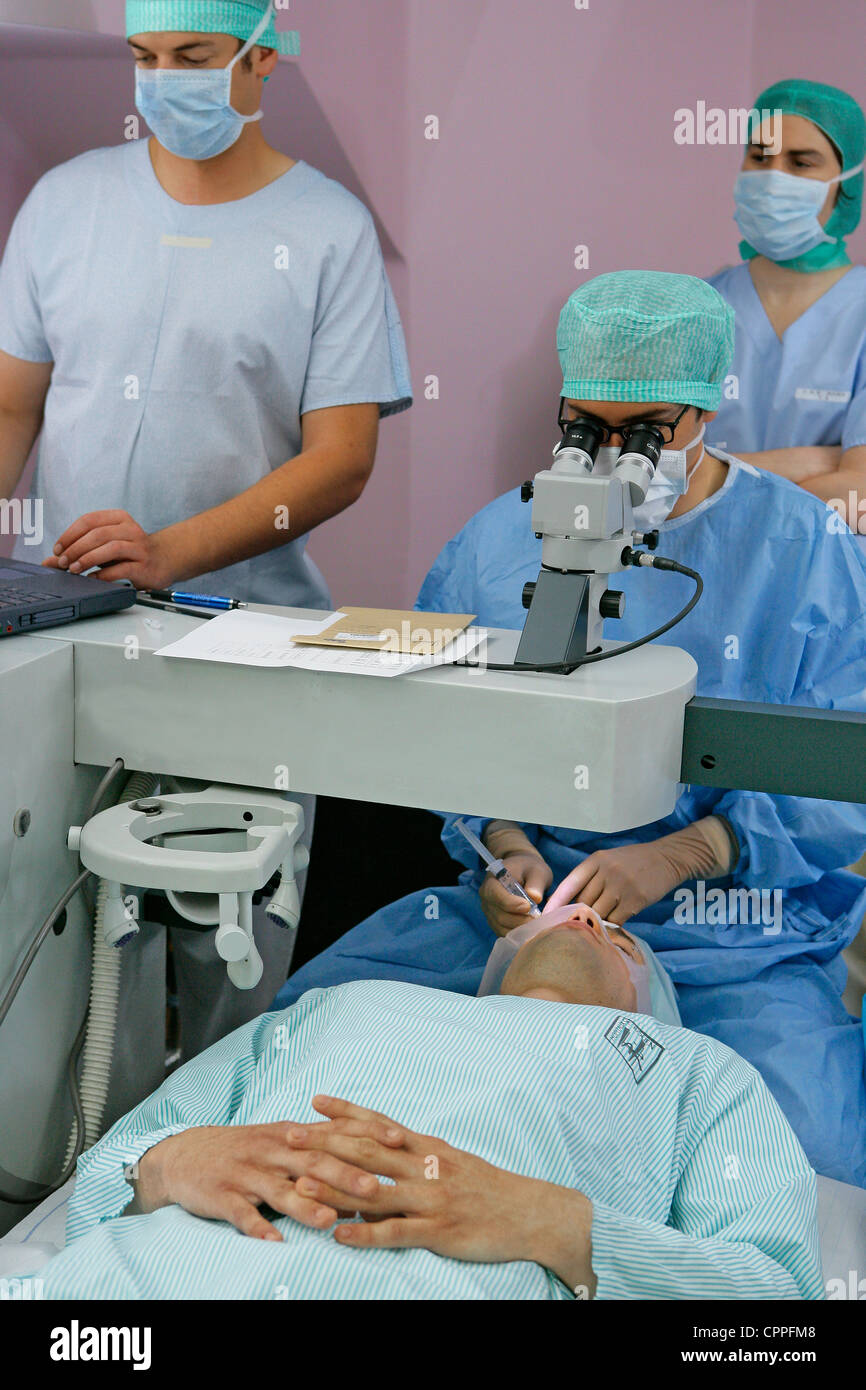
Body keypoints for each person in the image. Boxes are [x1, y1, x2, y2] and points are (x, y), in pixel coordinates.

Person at [277, 271, 866, 1189]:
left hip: (732, 933)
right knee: (310, 1045)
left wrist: (690, 853)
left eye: (646, 434)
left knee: (811, 1163)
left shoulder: (806, 549)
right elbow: (447, 734)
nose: (609, 455)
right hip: (519, 919)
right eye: (585, 427)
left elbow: (842, 774)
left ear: (705, 411)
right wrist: (501, 845)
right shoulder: (499, 539)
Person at [0, 0, 411, 1063]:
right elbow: (12, 404)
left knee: (228, 946)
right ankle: (80, 1192)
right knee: (63, 951)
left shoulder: (327, 231)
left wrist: (168, 554)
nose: (161, 80)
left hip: (246, 639)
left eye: (190, 56)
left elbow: (340, 458)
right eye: (144, 57)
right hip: (64, 630)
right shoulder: (66, 203)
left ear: (260, 58)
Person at [34, 906, 822, 1300]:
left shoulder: (696, 1069)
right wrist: (175, 1161)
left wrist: (553, 1224)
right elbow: (110, 1170)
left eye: (616, 933)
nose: (582, 915)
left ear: (648, 1004)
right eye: (557, 911)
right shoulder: (336, 1006)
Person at [706, 80, 866, 540]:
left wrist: (714, 477)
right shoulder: (696, 308)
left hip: (830, 590)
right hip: (690, 580)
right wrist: (809, 461)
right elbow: (644, 477)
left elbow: (859, 498)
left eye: (800, 162)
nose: (773, 176)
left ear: (847, 185)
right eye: (759, 157)